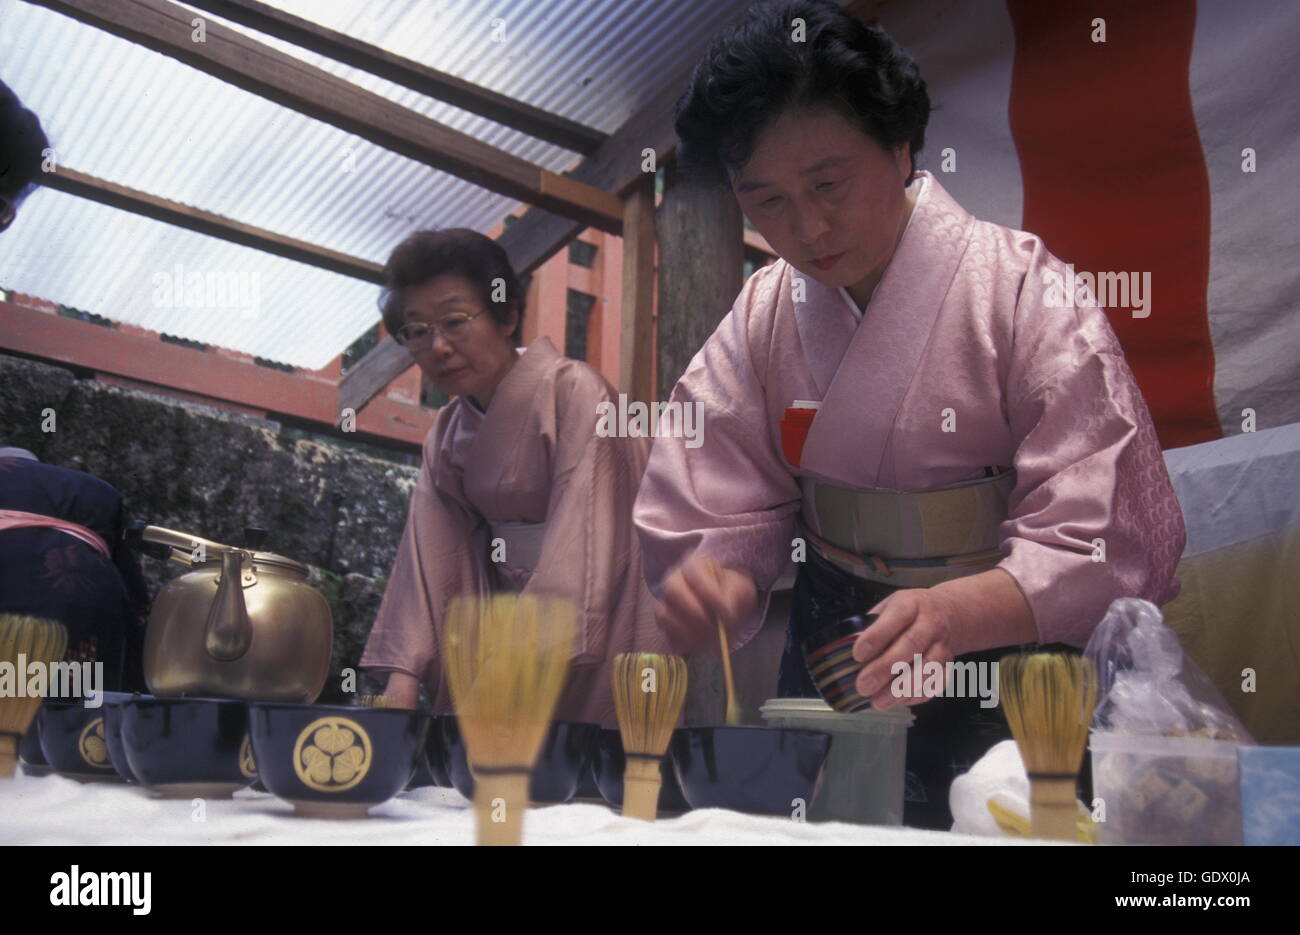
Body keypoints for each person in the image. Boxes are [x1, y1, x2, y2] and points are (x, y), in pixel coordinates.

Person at [633, 0, 1187, 828]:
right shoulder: (762, 320)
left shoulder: (1021, 291)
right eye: (768, 201)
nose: (806, 227)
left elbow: (1108, 524)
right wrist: (711, 574)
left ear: (899, 146)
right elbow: (711, 488)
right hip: (842, 646)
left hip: (1014, 645)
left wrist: (965, 610)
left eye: (827, 184)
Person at [359, 229, 668, 727]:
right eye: (416, 331)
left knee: (588, 772)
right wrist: (404, 678)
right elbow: (431, 555)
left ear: (506, 315)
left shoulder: (575, 392)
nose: (437, 347)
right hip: (509, 621)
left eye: (455, 321)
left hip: (607, 609)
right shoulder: (447, 432)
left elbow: (585, 541)